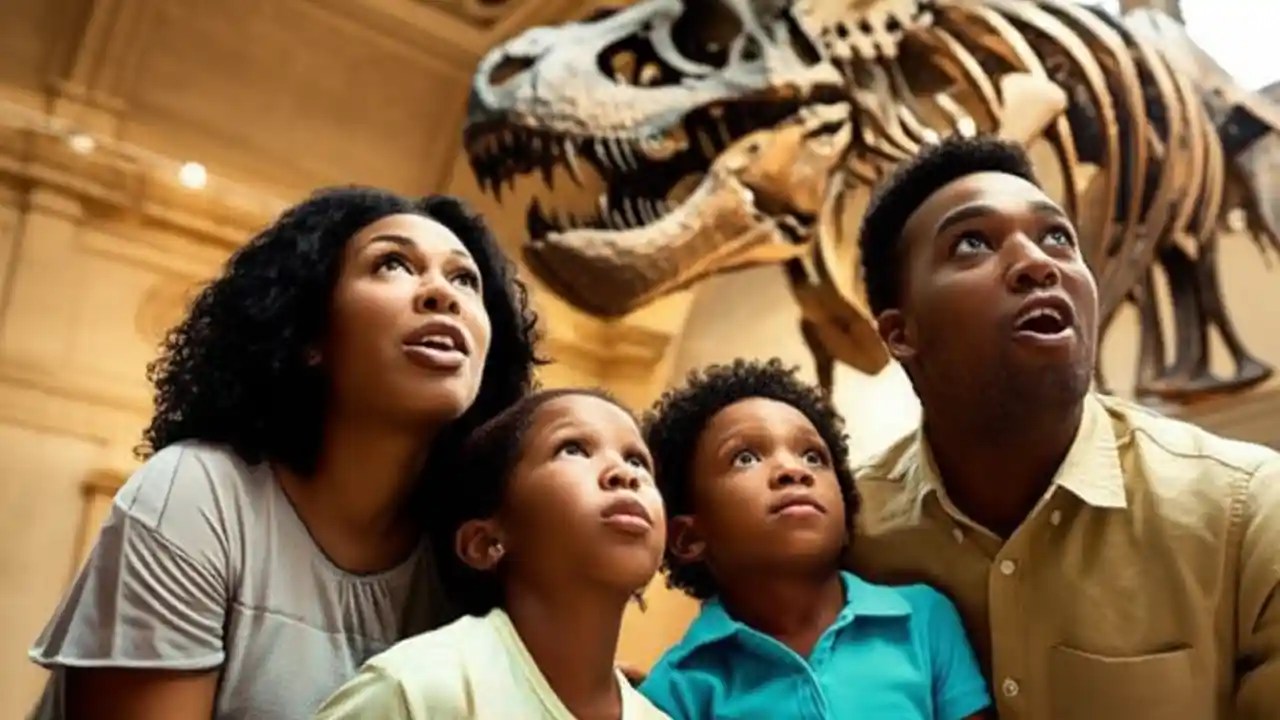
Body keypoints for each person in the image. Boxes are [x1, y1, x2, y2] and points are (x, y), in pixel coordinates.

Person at [27, 187, 542, 720]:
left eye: (465, 279)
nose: (442, 293)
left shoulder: (473, 556)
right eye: (392, 264)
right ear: (309, 335)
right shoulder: (197, 494)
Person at [846, 134, 1280, 719]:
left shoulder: (1247, 509)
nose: (1037, 263)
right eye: (972, 243)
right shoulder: (844, 537)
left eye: (1057, 237)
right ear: (900, 334)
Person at [638, 358, 992, 720]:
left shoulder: (922, 619)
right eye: (745, 458)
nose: (794, 471)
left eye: (813, 456)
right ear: (688, 538)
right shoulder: (676, 688)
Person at [314, 388, 670, 720]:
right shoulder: (417, 692)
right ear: (484, 544)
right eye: (572, 449)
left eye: (638, 461)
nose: (624, 474)